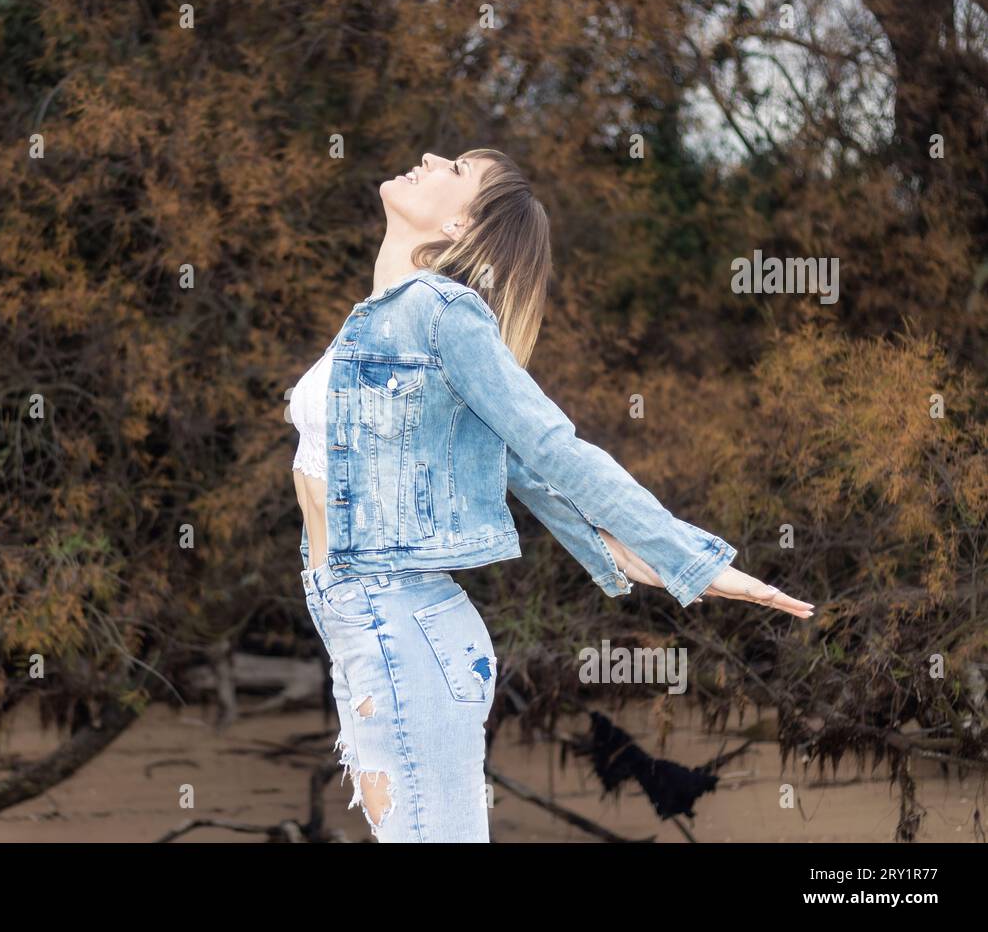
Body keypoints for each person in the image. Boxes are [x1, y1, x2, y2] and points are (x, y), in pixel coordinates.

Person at [287, 148, 813, 842]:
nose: (428, 157)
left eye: (453, 170)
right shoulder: (372, 321)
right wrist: (619, 552)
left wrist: (690, 561)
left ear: (459, 226)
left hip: (405, 628)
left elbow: (553, 450)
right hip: (355, 626)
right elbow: (526, 476)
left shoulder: (443, 311)